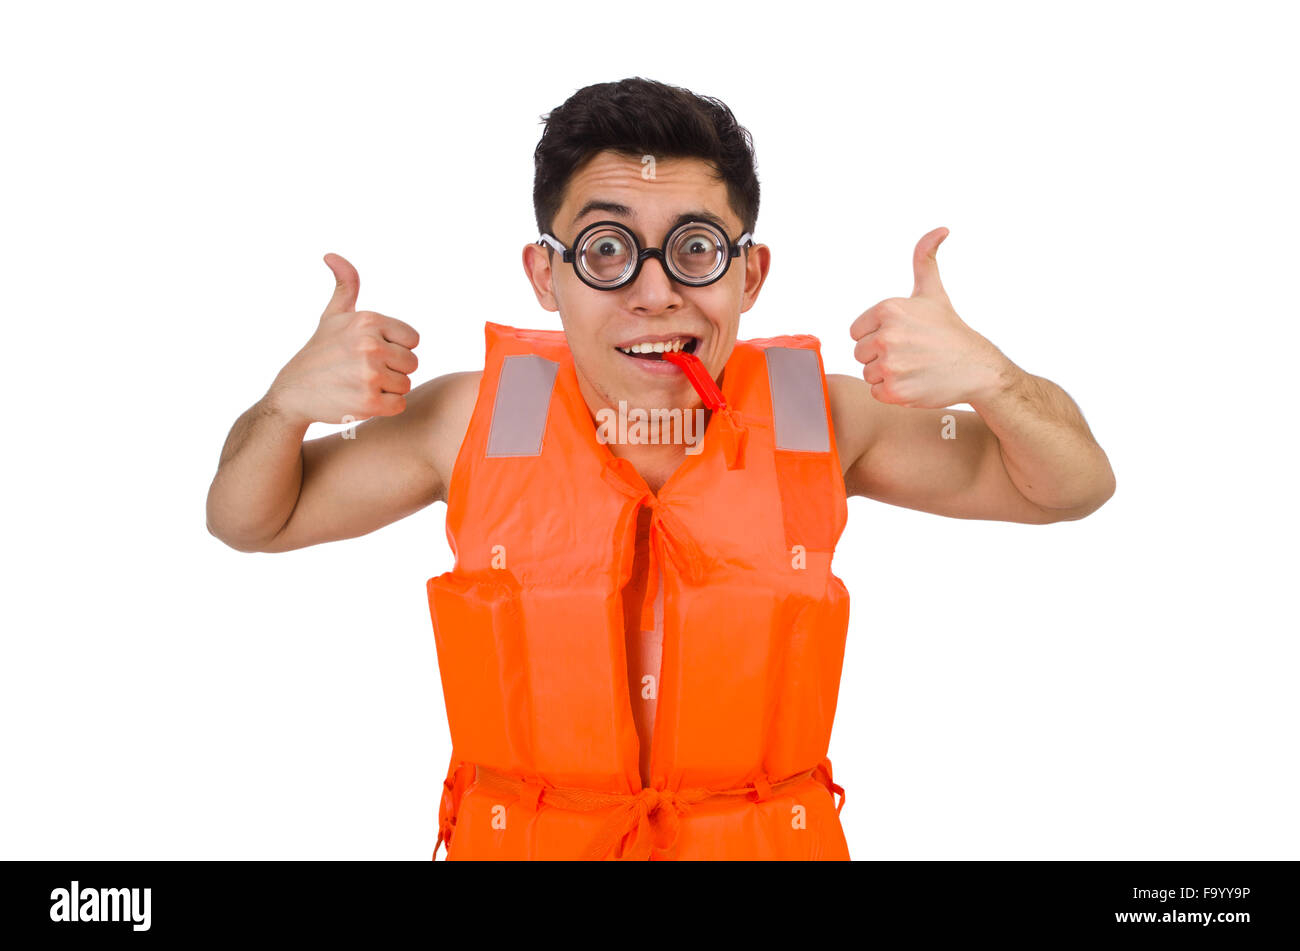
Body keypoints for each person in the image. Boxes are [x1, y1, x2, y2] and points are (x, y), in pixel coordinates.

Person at [205, 77, 1116, 860]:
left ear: (749, 276)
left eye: (695, 250)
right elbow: (252, 517)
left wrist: (994, 380)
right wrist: (285, 406)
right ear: (542, 274)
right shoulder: (469, 417)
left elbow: (1072, 484)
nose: (654, 292)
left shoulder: (822, 415)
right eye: (606, 249)